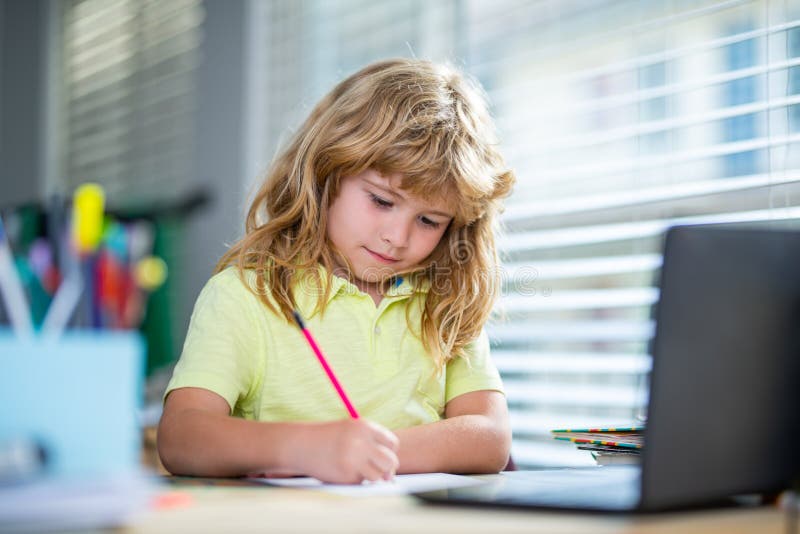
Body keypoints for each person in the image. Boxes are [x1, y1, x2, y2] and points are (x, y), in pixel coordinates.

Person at [157, 58, 516, 484]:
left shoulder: (444, 302)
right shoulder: (245, 295)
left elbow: (491, 437)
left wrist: (371, 454)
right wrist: (307, 449)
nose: (397, 237)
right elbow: (181, 437)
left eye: (429, 221)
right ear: (326, 175)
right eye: (382, 201)